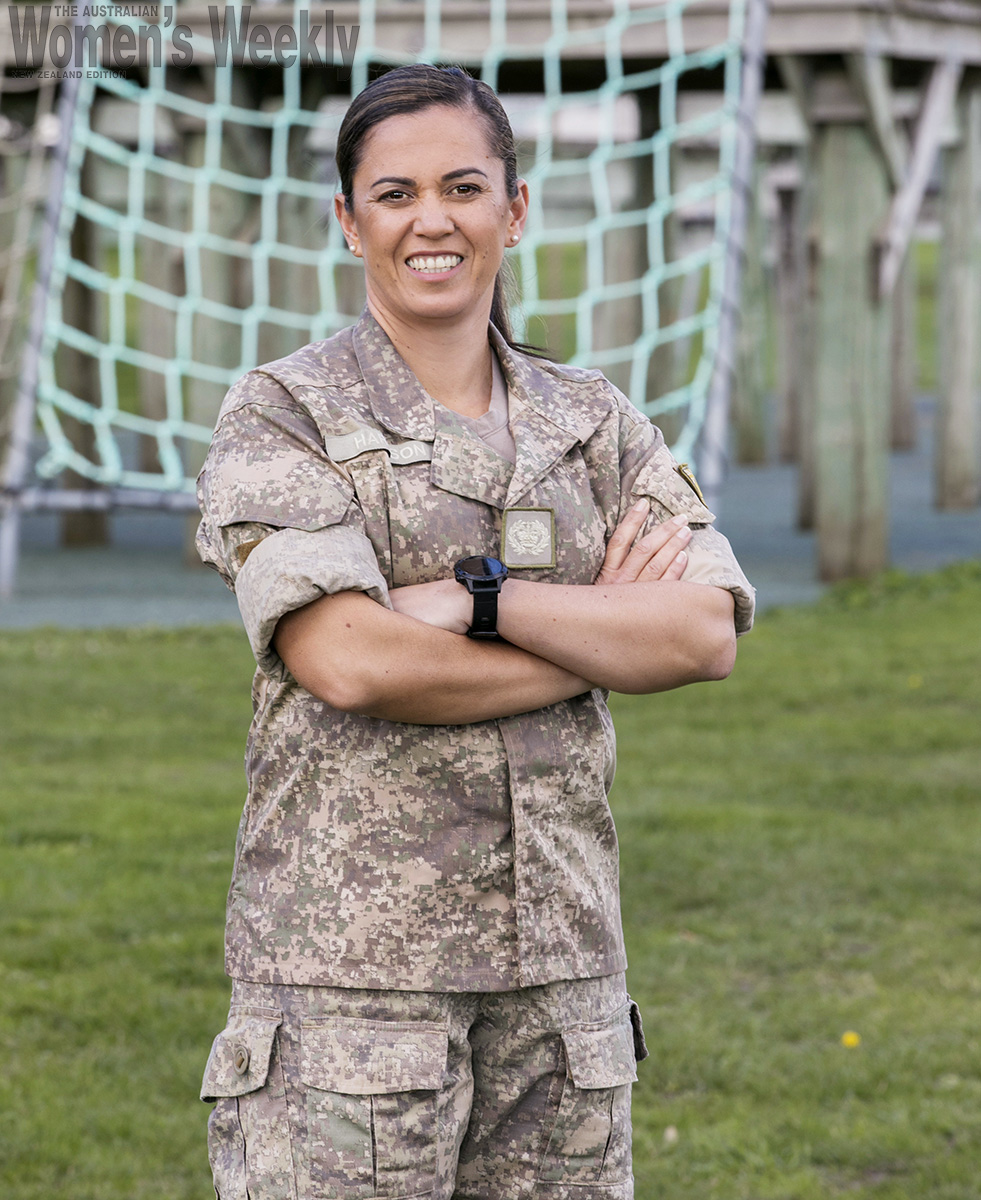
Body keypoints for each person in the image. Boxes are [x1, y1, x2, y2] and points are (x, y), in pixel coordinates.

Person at [195, 63, 755, 1200]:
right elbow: (349, 660)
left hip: (563, 984)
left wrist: (483, 602)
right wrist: (597, 636)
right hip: (352, 997)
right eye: (394, 195)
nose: (431, 220)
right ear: (349, 223)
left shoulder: (592, 420)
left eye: (462, 186)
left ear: (515, 207)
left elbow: (702, 633)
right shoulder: (285, 412)